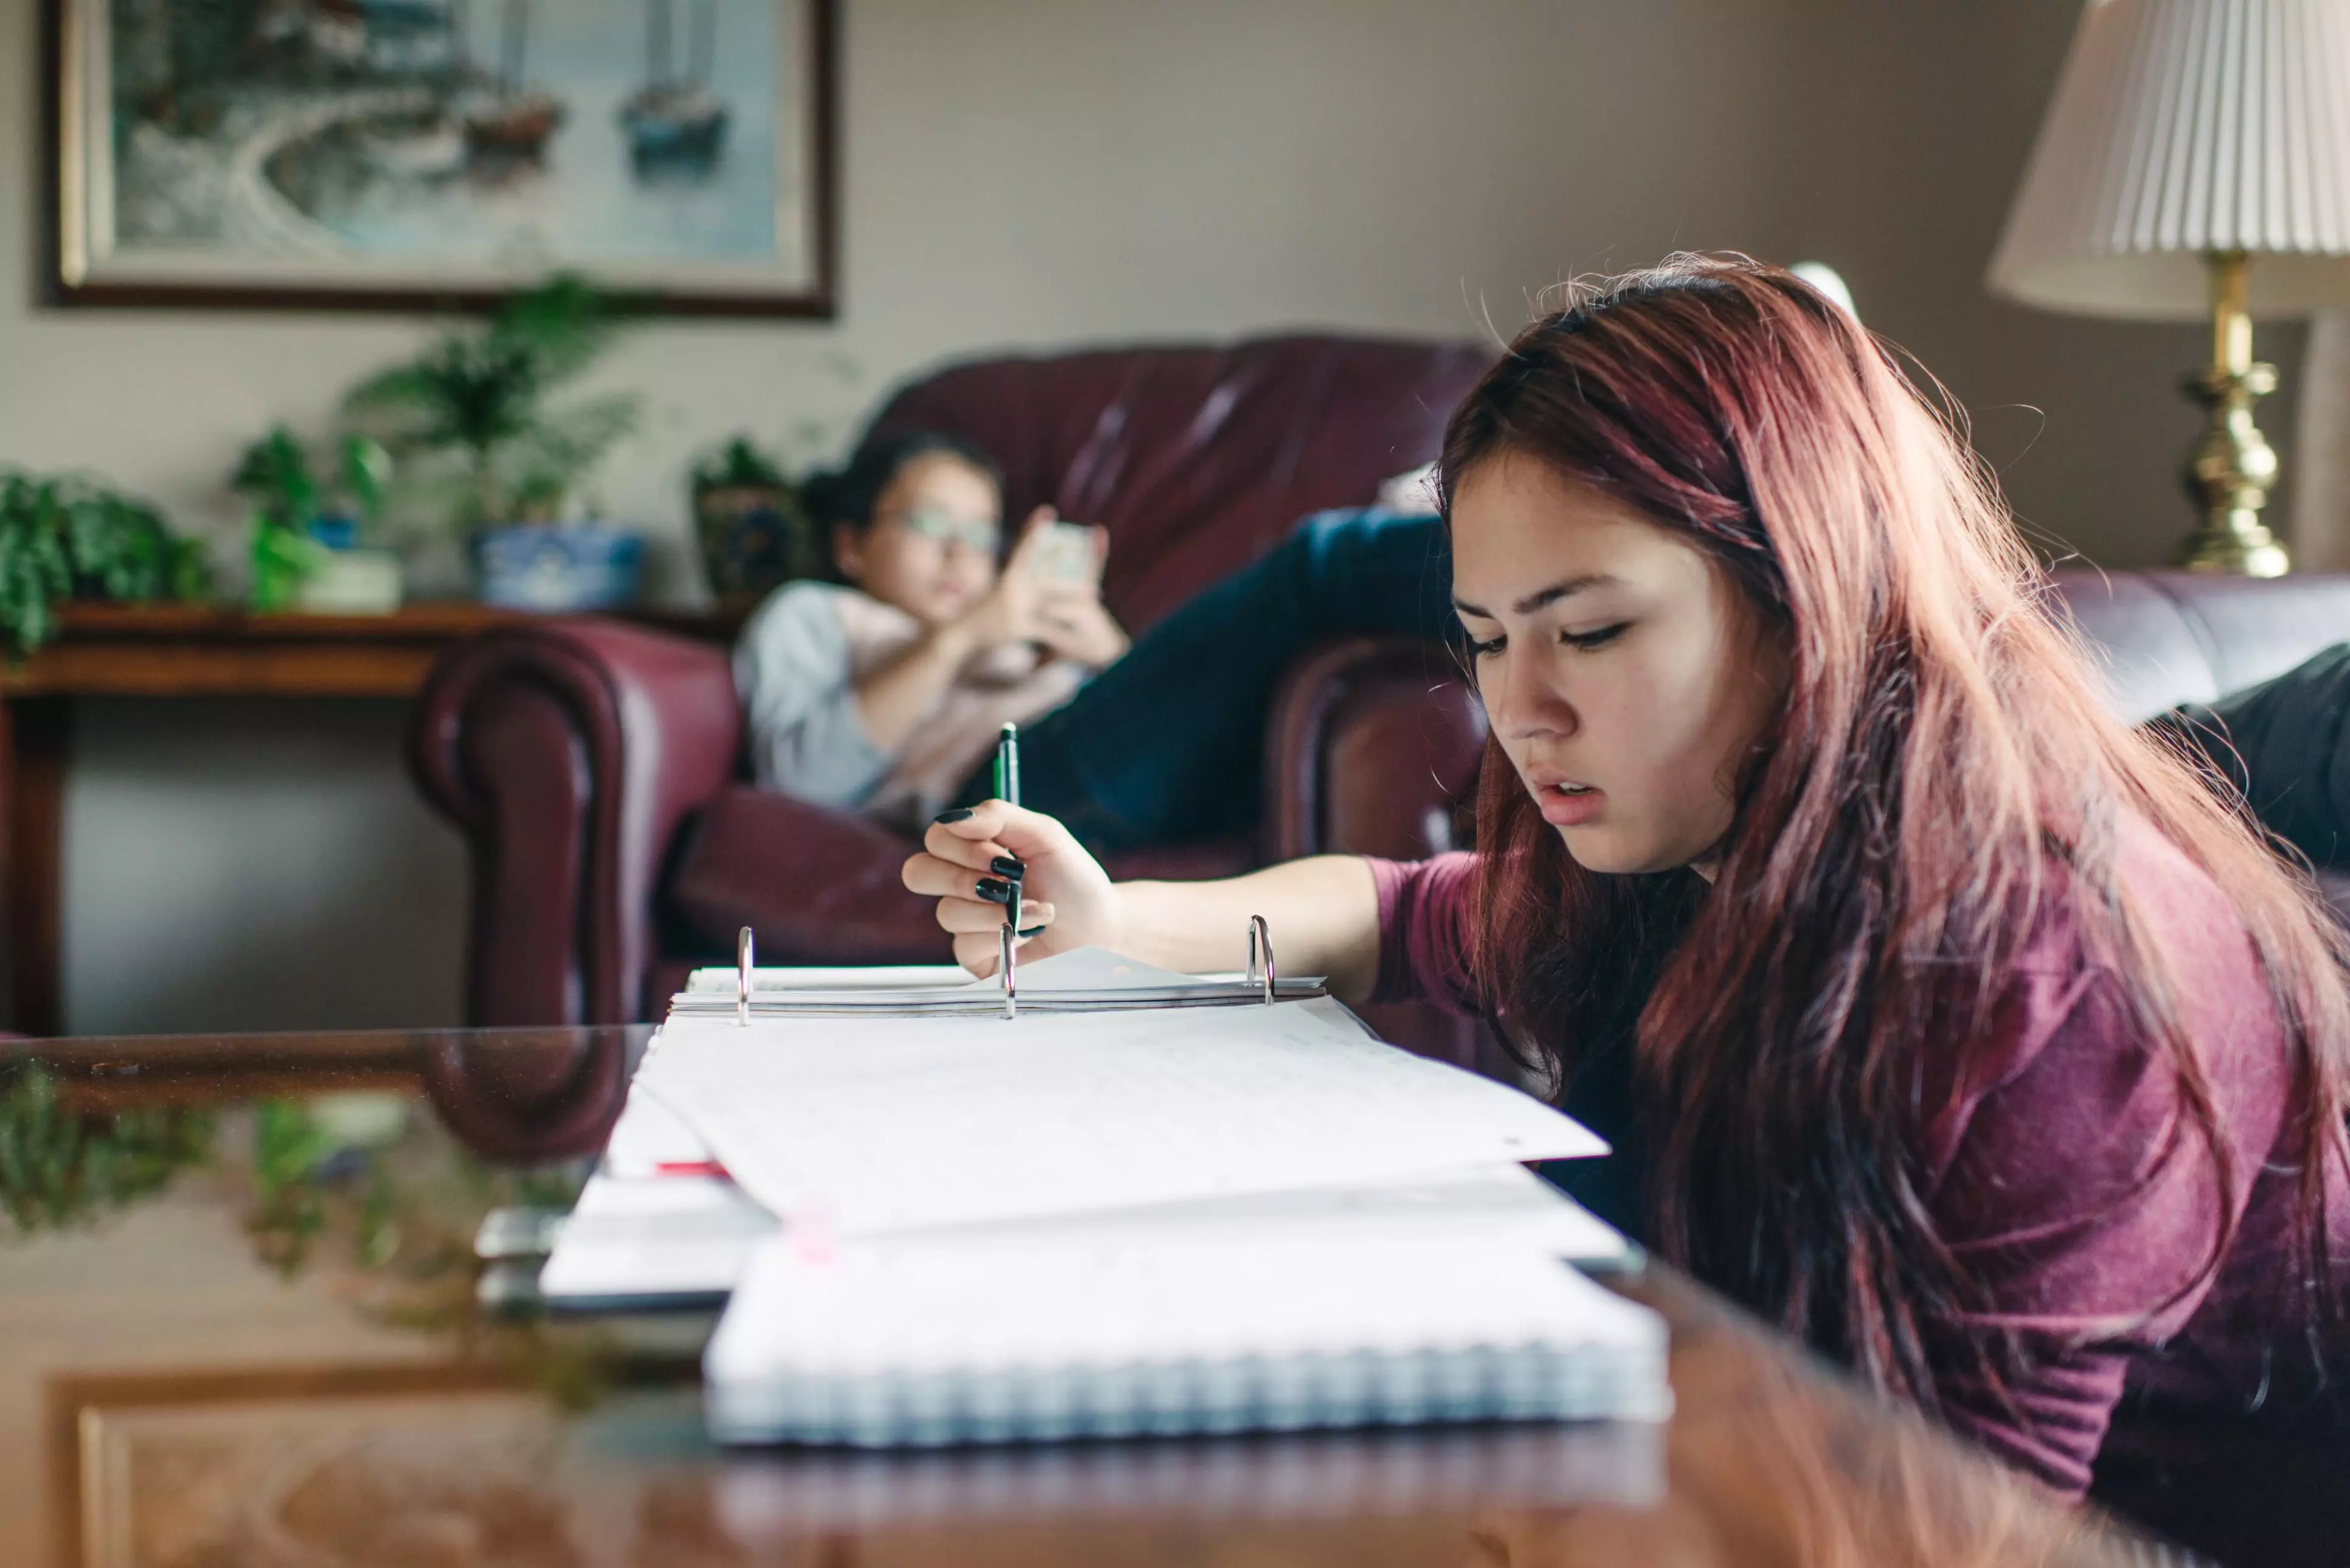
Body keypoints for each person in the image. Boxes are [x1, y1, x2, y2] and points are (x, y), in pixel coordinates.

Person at [903, 254, 2350, 1498]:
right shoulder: (1705, 842)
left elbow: (1951, 1521)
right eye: (1483, 637)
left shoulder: (2045, 974)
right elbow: (1403, 910)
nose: (1518, 710)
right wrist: (1109, 918)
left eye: (1588, 632)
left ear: (1809, 596)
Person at [737, 432, 1458, 843]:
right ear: (851, 543)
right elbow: (801, 782)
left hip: (1120, 764)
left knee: (1312, 627)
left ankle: (1479, 553)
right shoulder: (811, 613)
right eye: (929, 525)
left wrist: (1109, 654)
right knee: (1316, 566)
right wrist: (960, 637)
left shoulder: (1020, 631)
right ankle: (1513, 551)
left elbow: (1145, 736)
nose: (960, 554)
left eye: (979, 534)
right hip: (1001, 782)